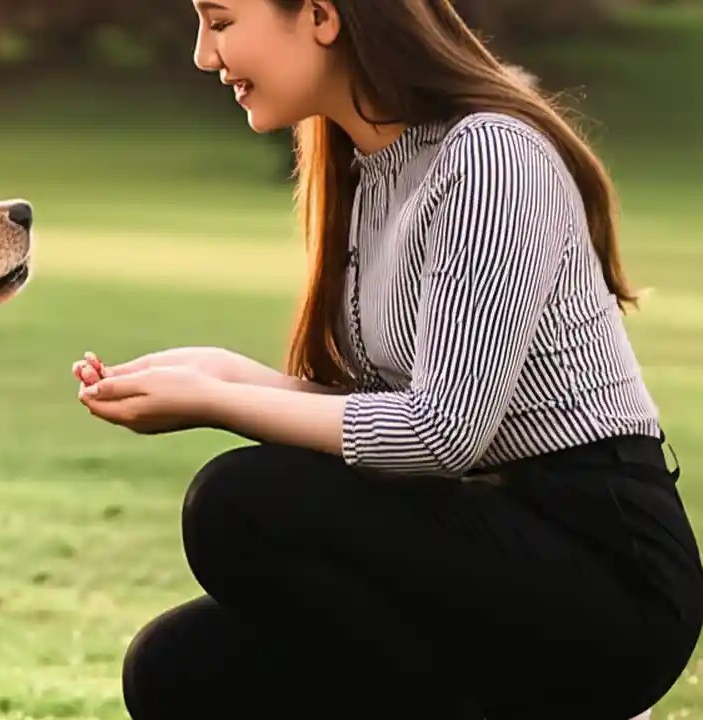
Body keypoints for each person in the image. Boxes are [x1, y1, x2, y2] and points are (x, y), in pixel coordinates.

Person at [69, 1, 703, 718]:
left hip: (607, 576)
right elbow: (392, 415)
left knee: (237, 504)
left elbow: (441, 432)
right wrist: (226, 373)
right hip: (476, 535)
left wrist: (217, 403)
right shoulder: (370, 170)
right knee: (177, 669)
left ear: (319, 15)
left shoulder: (488, 158)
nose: (203, 56)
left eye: (219, 22)